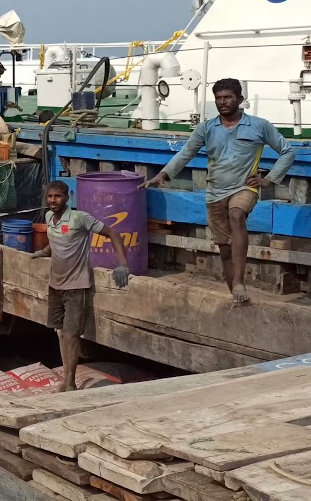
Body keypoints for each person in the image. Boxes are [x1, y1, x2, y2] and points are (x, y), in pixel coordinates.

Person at [143, 78, 295, 306]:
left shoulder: (259, 126)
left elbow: (287, 151)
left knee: (236, 214)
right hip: (215, 192)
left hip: (245, 187)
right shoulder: (206, 128)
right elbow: (186, 153)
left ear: (240, 100)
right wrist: (162, 175)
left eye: (228, 97)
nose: (223, 102)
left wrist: (269, 179)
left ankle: (240, 282)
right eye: (219, 98)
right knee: (225, 249)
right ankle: (235, 291)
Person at [32, 180, 130, 392]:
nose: (53, 201)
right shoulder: (49, 218)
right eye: (50, 196)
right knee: (59, 332)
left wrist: (123, 265)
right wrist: (44, 252)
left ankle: (70, 382)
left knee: (71, 334)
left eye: (58, 196)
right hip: (55, 284)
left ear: (68, 198)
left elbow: (114, 234)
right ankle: (67, 378)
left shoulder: (79, 218)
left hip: (76, 286)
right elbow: (56, 242)